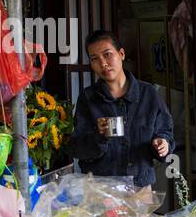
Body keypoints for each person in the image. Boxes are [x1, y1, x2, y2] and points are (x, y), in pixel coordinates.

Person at [70, 30, 174, 188]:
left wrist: (162, 143)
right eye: (94, 59)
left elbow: (165, 131)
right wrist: (99, 136)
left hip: (140, 187)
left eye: (107, 54)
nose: (103, 63)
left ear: (122, 54)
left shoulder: (148, 93)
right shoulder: (88, 98)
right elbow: (77, 148)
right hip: (101, 189)